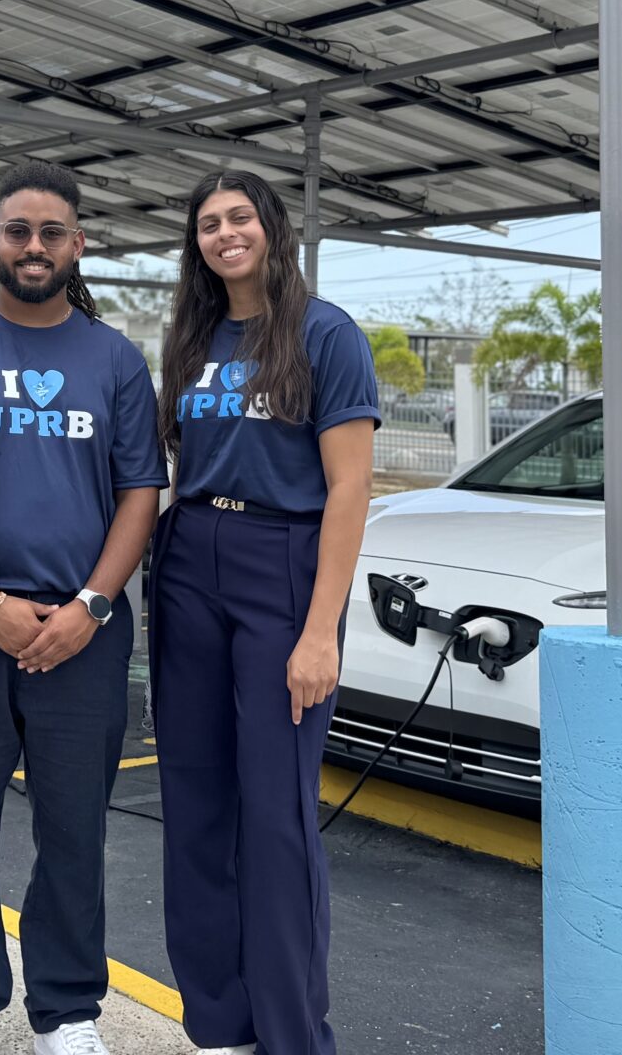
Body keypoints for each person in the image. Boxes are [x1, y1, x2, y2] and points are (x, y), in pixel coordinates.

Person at [0, 160, 163, 1055]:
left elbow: (139, 494)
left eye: (52, 233)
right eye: (18, 231)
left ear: (77, 245)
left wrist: (92, 605)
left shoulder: (115, 360)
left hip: (85, 632)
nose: (35, 246)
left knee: (75, 826)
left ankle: (68, 1009)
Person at [151, 172, 378, 1055]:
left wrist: (320, 632)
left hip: (282, 561)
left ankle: (292, 1035)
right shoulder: (192, 336)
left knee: (276, 813)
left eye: (239, 217)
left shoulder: (325, 333)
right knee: (194, 800)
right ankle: (219, 1027)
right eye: (208, 223)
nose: (224, 233)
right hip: (190, 556)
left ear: (272, 228)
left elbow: (349, 489)